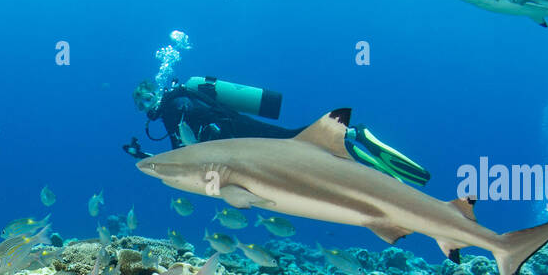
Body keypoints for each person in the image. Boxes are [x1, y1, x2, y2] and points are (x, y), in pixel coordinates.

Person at [125, 75, 431, 187]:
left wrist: (151, 158)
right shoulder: (177, 101)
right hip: (235, 136)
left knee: (292, 142)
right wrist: (147, 156)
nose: (146, 107)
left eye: (146, 99)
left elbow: (183, 151)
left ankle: (348, 135)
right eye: (140, 105)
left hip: (236, 135)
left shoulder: (173, 106)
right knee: (290, 141)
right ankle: (347, 140)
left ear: (156, 92)